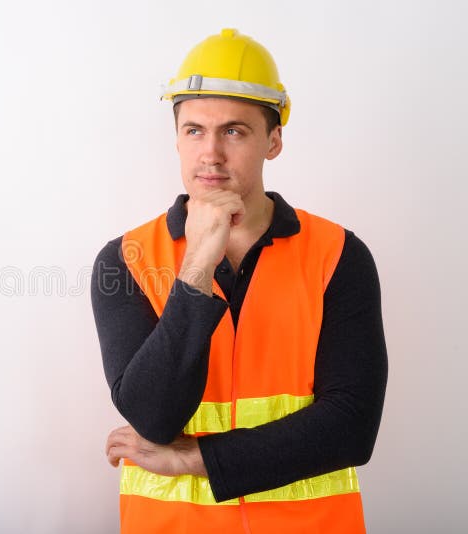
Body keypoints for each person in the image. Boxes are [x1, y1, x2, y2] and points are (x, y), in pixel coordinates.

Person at [90, 28, 388, 534]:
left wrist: (200, 458)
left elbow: (352, 426)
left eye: (234, 131)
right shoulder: (124, 260)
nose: (211, 153)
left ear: (273, 141)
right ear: (176, 138)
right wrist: (196, 270)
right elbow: (153, 417)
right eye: (193, 130)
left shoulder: (339, 255)